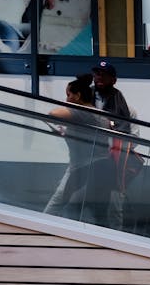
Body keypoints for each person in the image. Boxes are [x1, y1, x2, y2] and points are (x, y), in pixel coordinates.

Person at [43, 74, 114, 224]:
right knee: (96, 213)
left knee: (65, 205)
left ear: (78, 96)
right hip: (96, 167)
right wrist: (65, 133)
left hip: (86, 168)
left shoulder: (83, 112)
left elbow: (53, 113)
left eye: (68, 95)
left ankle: (43, 228)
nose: (66, 99)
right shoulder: (99, 115)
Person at [90, 60, 139, 228]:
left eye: (104, 74)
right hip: (89, 162)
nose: (99, 77)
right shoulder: (85, 101)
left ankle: (115, 241)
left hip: (115, 165)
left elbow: (135, 138)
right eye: (96, 74)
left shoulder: (126, 109)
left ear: (114, 80)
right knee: (88, 203)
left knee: (115, 207)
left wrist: (117, 147)